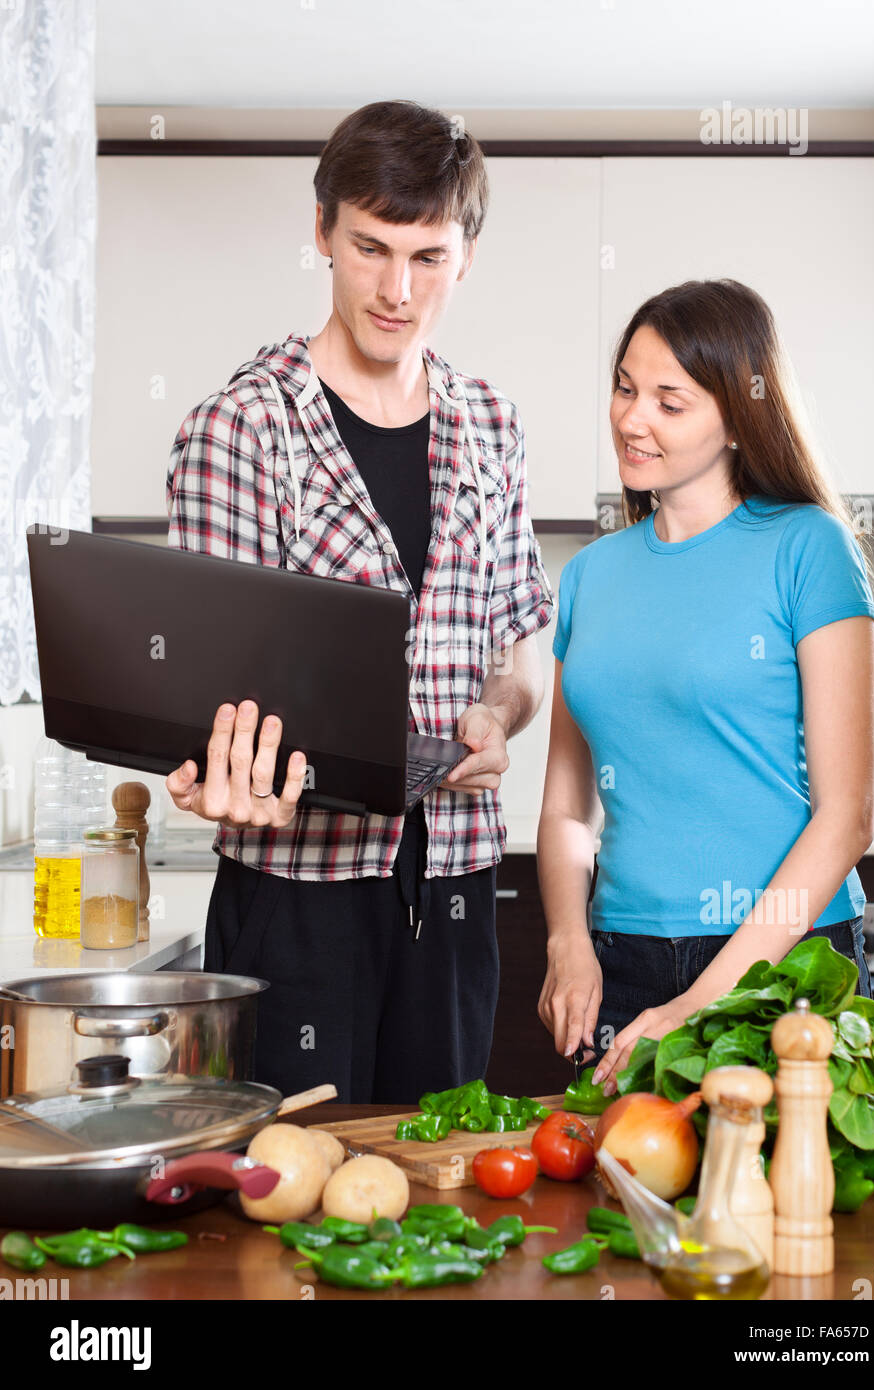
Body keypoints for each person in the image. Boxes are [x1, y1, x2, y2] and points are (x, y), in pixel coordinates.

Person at [164, 100, 554, 1103]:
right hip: (297, 898)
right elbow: (209, 685)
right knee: (287, 1191)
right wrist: (222, 767)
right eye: (369, 248)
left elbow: (517, 648)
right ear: (322, 233)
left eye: (426, 256)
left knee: (438, 1187)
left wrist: (496, 713)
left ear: (465, 255)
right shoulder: (240, 429)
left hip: (459, 882)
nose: (395, 289)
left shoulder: (491, 427)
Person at [536, 278, 874, 1095]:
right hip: (622, 956)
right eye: (623, 388)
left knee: (782, 1212)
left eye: (668, 401)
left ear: (736, 417)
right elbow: (564, 807)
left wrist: (705, 998)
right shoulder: (588, 575)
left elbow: (847, 816)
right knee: (625, 1210)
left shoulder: (808, 548)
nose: (630, 418)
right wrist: (566, 941)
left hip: (783, 962)